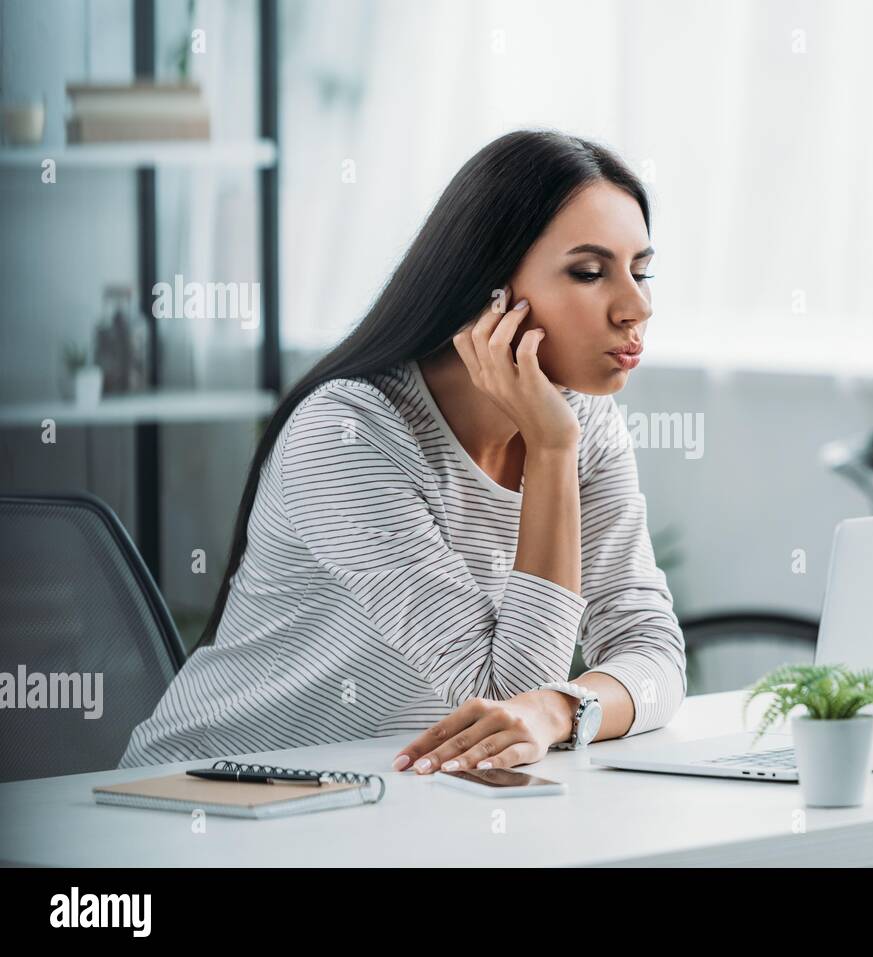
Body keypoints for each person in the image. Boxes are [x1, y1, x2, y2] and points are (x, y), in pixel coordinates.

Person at [119, 130, 686, 775]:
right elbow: (498, 691)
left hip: (384, 796)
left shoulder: (584, 420)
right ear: (490, 289)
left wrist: (560, 711)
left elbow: (652, 651)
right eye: (589, 273)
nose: (636, 306)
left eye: (641, 271)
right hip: (205, 798)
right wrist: (552, 453)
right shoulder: (347, 432)